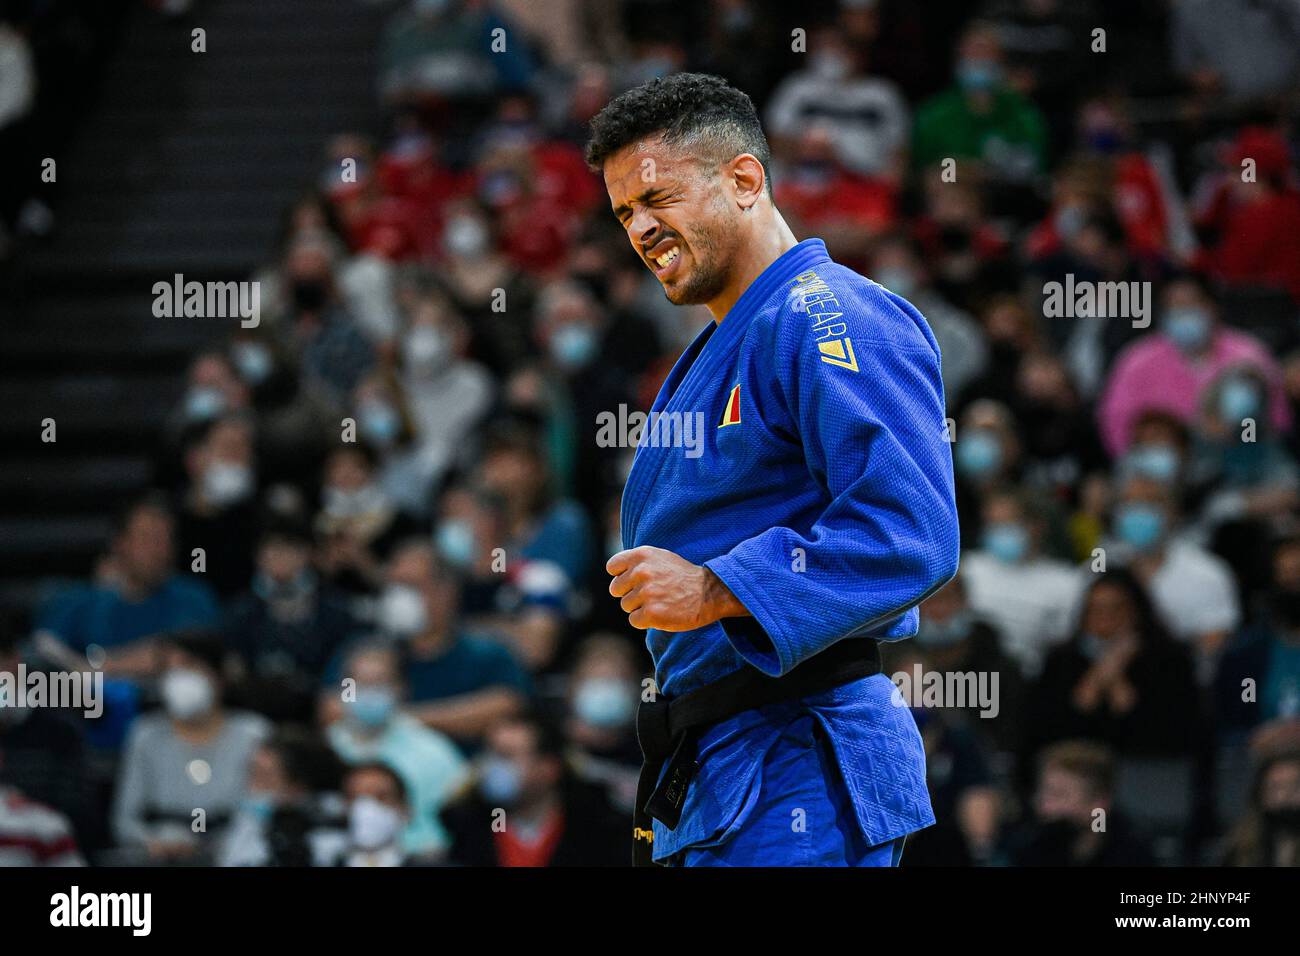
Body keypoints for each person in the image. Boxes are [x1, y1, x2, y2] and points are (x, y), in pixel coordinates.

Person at [585, 73, 958, 866]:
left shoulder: (826, 314)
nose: (641, 229)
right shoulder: (721, 346)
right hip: (722, 768)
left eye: (658, 198)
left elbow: (909, 532)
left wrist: (716, 589)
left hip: (798, 757)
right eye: (624, 214)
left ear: (746, 179)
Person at [110, 631, 270, 863]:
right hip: (159, 856)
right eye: (170, 669)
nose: (179, 678)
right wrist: (151, 840)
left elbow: (263, 809)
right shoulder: (145, 734)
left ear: (218, 675)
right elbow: (125, 818)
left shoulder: (253, 733)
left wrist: (219, 845)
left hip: (233, 853)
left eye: (190, 666)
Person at [35, 494, 219, 678]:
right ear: (120, 543)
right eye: (147, 539)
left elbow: (182, 651)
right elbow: (45, 645)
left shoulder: (192, 597)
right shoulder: (84, 599)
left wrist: (100, 666)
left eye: (165, 540)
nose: (158, 550)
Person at [320, 640, 469, 859]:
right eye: (360, 684)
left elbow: (460, 825)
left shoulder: (436, 753)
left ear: (401, 689)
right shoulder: (323, 750)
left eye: (380, 683)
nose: (369, 693)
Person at [440, 713, 625, 867]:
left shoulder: (600, 829)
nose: (492, 767)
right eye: (491, 753)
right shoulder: (465, 826)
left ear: (548, 768)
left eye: (506, 756)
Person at [1006, 740, 1154, 866]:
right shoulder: (1030, 847)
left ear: (1099, 803)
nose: (1043, 806)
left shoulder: (1131, 853)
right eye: (1042, 793)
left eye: (1058, 795)